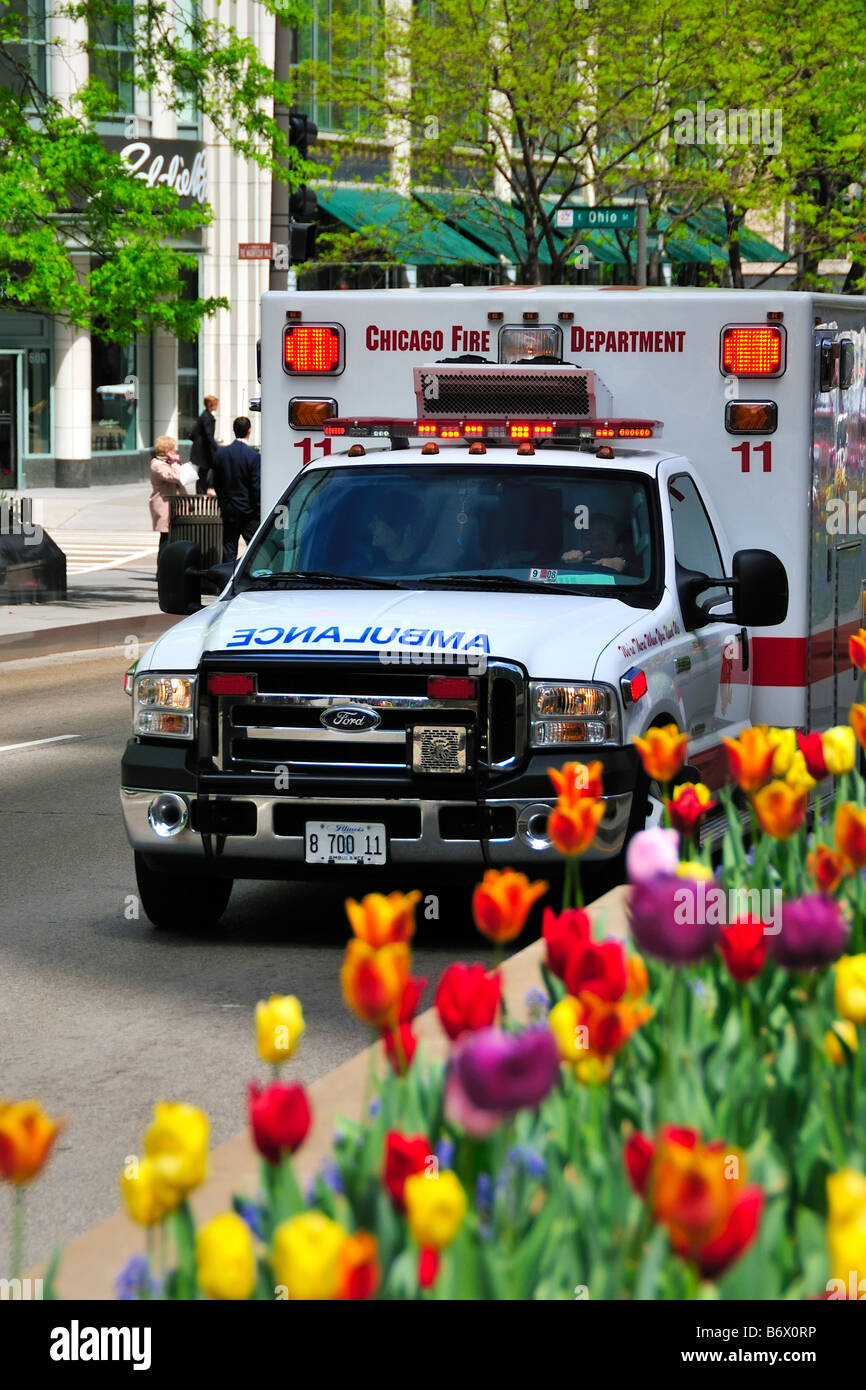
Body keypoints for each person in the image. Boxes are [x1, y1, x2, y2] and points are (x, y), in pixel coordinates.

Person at [211, 416, 261, 563]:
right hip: (248, 511)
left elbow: (217, 482)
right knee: (255, 547)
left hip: (228, 508)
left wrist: (222, 502)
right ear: (249, 430)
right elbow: (256, 487)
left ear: (234, 430)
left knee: (229, 547)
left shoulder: (221, 454)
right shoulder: (253, 456)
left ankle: (227, 580)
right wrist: (258, 510)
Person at [148, 436, 185, 554]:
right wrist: (174, 462)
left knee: (173, 537)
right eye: (172, 450)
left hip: (175, 504)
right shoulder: (157, 464)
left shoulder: (167, 463)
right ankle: (163, 569)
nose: (175, 452)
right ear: (166, 451)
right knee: (166, 537)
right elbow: (176, 476)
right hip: (164, 505)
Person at [562, 514, 630, 572]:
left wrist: (623, 564)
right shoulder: (575, 564)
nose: (594, 544)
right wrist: (566, 562)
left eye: (603, 539)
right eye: (588, 538)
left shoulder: (629, 575)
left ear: (618, 548)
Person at [189, 395, 218, 495]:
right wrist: (215, 447)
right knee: (204, 472)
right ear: (211, 405)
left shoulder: (204, 416)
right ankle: (202, 492)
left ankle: (202, 492)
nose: (217, 406)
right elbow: (208, 434)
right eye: (215, 404)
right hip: (204, 450)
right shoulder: (207, 417)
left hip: (202, 449)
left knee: (203, 472)